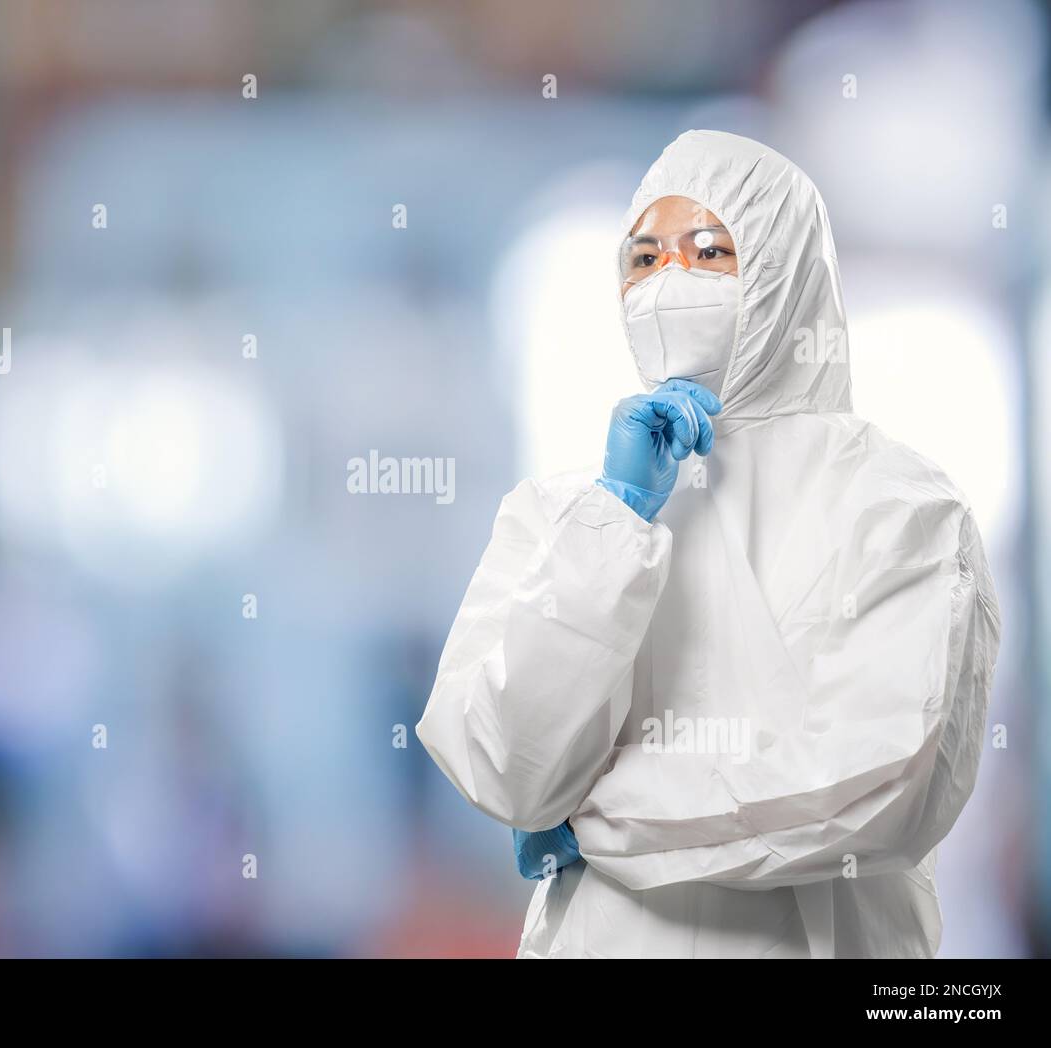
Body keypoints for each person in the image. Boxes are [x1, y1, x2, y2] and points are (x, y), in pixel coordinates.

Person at [416, 130, 1001, 958]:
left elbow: (880, 785)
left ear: (784, 269)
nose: (668, 284)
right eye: (644, 259)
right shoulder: (564, 513)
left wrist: (597, 820)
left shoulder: (898, 506)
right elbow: (505, 765)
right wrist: (615, 523)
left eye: (709, 252)